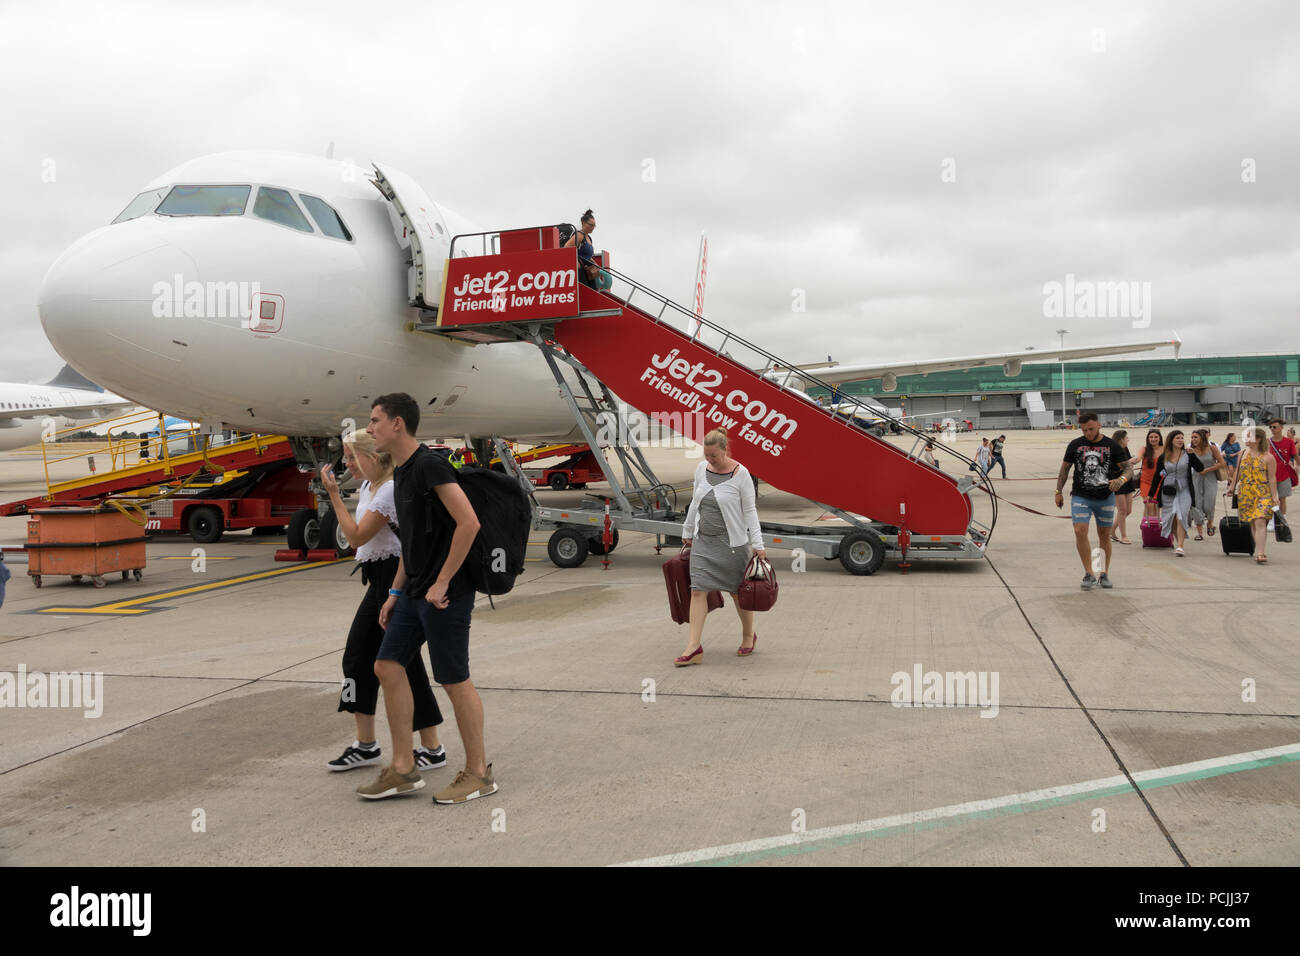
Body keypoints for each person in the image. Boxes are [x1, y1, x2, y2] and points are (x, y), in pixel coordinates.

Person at [360, 392, 497, 804]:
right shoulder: (401, 472)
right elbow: (411, 542)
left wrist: (443, 581)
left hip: (445, 595)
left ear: (397, 423)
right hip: (414, 591)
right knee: (386, 666)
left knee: (454, 680)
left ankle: (478, 774)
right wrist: (395, 592)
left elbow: (468, 523)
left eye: (374, 421)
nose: (369, 429)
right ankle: (403, 768)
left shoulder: (429, 465)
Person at [319, 432, 446, 774]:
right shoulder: (368, 487)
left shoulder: (389, 489)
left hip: (396, 579)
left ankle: (431, 747)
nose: (346, 464)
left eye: (351, 457)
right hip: (377, 579)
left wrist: (333, 496)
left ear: (371, 456)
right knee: (358, 659)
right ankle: (366, 744)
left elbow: (356, 536)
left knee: (402, 665)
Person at [677, 428, 767, 664]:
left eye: (714, 456)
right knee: (698, 591)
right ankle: (693, 646)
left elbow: (750, 511)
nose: (710, 461)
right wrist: (687, 530)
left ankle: (748, 635)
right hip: (703, 541)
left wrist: (758, 544)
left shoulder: (741, 474)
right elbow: (695, 503)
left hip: (732, 545)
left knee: (737, 593)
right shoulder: (701, 469)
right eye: (707, 456)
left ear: (724, 451)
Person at [1055, 411, 1135, 589]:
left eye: (1091, 429)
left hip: (1105, 497)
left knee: (1104, 535)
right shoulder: (1075, 445)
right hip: (1081, 495)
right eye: (1084, 430)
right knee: (1080, 531)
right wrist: (1058, 491)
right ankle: (1089, 573)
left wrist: (1120, 480)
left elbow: (1128, 469)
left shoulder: (1112, 445)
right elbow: (1065, 469)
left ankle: (1103, 573)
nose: (1088, 434)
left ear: (1099, 425)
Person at [1151, 430, 1204, 556]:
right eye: (1177, 438)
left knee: (1181, 515)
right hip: (1168, 490)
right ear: (1171, 440)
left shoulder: (1188, 454)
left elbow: (1200, 468)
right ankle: (1177, 541)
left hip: (1184, 489)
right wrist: (1151, 493)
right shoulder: (1163, 457)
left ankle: (1180, 546)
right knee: (1171, 518)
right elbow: (1157, 476)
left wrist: (1194, 455)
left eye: (1182, 438)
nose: (1180, 440)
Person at [1230, 426, 1279, 564]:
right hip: (1245, 492)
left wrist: (1274, 496)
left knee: (1260, 520)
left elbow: (1272, 478)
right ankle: (1259, 549)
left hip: (1263, 492)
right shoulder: (1243, 453)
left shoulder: (1268, 457)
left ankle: (1261, 553)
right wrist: (1232, 487)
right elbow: (1237, 473)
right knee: (1252, 523)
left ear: (1258, 439)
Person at [1188, 429, 1226, 540]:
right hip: (1196, 477)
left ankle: (1210, 523)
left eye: (1196, 437)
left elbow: (1222, 462)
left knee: (1209, 502)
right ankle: (1199, 532)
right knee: (1196, 503)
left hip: (1210, 477)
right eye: (1192, 437)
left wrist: (1208, 469)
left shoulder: (1212, 448)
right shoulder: (1190, 450)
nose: (1193, 440)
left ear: (1202, 438)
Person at [561, 209, 612, 291]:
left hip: (588, 269)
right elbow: (566, 247)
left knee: (593, 290)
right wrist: (575, 260)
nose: (592, 228)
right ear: (583, 223)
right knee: (586, 290)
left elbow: (587, 256)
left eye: (594, 226)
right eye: (590, 225)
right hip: (580, 268)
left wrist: (595, 263)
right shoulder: (580, 235)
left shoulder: (589, 238)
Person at [1110, 430, 1139, 544]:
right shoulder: (1114, 450)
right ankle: (1124, 536)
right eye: (1127, 438)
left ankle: (1111, 530)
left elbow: (1127, 465)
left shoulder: (1125, 449)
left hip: (1127, 481)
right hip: (1118, 481)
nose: (1128, 440)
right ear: (1121, 439)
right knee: (1122, 510)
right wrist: (1129, 462)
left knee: (1128, 510)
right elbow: (1115, 467)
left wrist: (1131, 462)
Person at [1265, 419, 1297, 517]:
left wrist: (1297, 465)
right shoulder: (1267, 442)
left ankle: (1282, 518)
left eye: (1274, 427)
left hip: (1284, 475)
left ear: (1281, 428)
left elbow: (1295, 456)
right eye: (1270, 427)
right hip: (1269, 476)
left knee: (1282, 499)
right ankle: (1272, 518)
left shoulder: (1289, 442)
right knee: (1271, 498)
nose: (1272, 429)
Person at [1138, 429, 1163, 518]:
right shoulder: (1144, 449)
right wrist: (1130, 461)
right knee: (1149, 506)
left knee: (1156, 507)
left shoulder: (1165, 449)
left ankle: (1155, 529)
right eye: (1151, 437)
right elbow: (1138, 458)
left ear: (1160, 438)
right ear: (1148, 439)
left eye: (1156, 437)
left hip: (1159, 482)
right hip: (1146, 482)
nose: (1153, 439)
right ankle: (1146, 527)